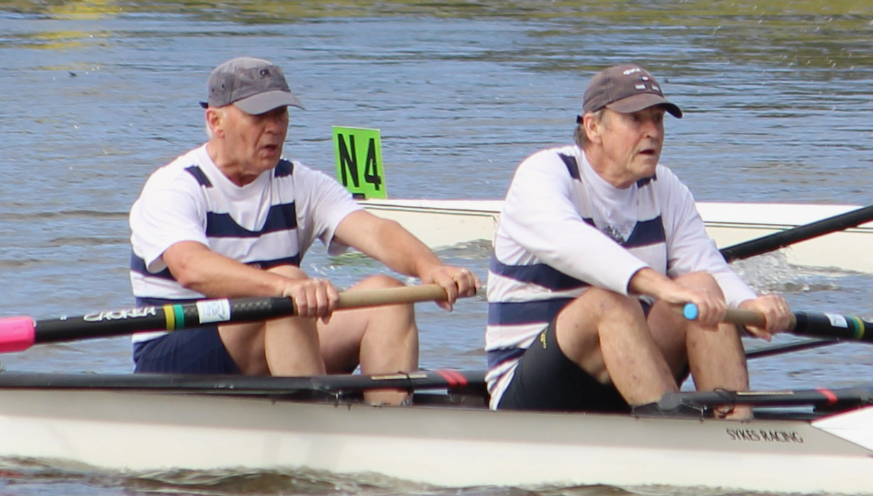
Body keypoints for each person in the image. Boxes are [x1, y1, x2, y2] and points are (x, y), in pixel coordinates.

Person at [129, 56, 479, 404]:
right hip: (175, 355)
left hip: (271, 340)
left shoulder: (299, 182)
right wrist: (284, 284)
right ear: (215, 120)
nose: (275, 127)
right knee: (288, 286)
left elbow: (375, 232)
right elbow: (191, 268)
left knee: (387, 296)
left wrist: (430, 267)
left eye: (280, 113)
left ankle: (385, 428)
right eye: (258, 116)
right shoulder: (175, 186)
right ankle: (321, 431)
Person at [485, 63, 792, 417]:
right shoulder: (543, 174)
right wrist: (663, 288)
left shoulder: (664, 188)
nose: (652, 132)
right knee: (610, 302)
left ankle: (737, 429)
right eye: (636, 120)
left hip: (626, 373)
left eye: (658, 120)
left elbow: (705, 264)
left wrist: (751, 306)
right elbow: (575, 245)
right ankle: (674, 439)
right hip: (528, 387)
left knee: (701, 285)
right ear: (593, 126)